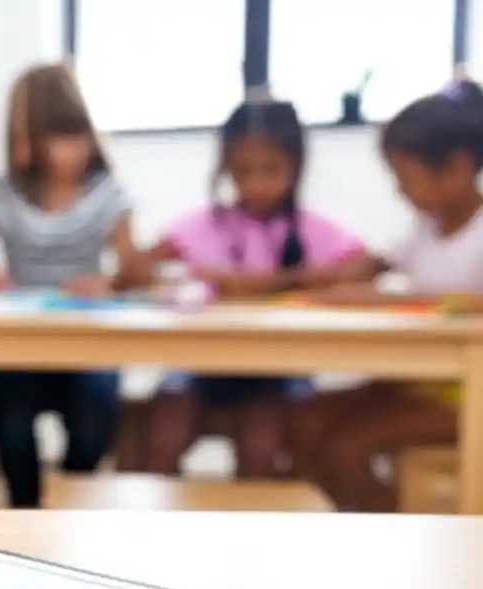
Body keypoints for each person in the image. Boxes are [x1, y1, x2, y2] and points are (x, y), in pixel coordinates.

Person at [0, 64, 146, 508]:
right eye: (57, 139)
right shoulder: (3, 193)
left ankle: (72, 503)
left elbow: (133, 268)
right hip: (21, 344)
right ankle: (25, 512)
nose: (70, 152)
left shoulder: (108, 193)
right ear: (26, 144)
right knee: (13, 426)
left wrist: (111, 281)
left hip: (87, 344)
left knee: (95, 418)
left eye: (78, 136)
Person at [142, 99, 363, 480]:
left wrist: (272, 283)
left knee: (262, 447)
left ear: (295, 168)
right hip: (201, 364)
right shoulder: (204, 225)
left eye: (270, 171)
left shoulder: (312, 230)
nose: (256, 184)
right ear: (226, 168)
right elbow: (138, 266)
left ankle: (250, 533)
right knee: (163, 435)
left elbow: (367, 264)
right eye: (243, 172)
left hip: (278, 368)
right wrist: (176, 275)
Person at [291, 81, 483, 511]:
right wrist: (324, 279)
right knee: (304, 420)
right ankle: (341, 523)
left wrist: (384, 301)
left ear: (457, 168)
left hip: (470, 391)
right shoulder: (427, 227)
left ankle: (399, 536)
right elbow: (374, 263)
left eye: (404, 177)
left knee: (346, 449)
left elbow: (465, 304)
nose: (399, 191)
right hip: (417, 380)